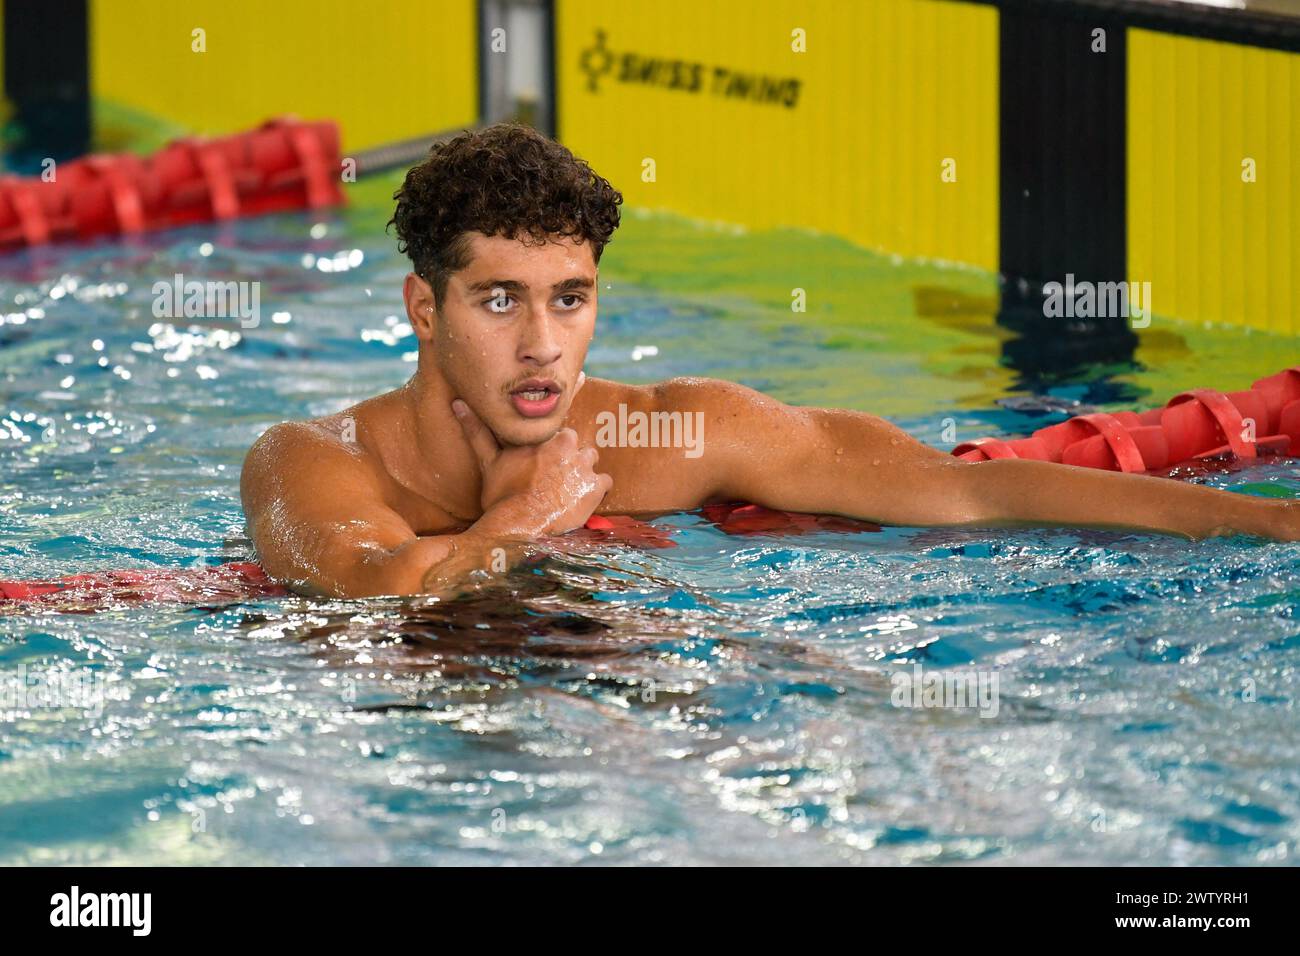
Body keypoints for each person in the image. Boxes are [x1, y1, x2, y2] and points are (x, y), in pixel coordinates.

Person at [240, 123, 1299, 598]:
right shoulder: (311, 461)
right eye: (499, 300)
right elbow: (372, 590)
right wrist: (528, 516)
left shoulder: (674, 426)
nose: (541, 344)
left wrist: (1272, 523)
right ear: (423, 306)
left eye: (571, 298)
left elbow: (960, 493)